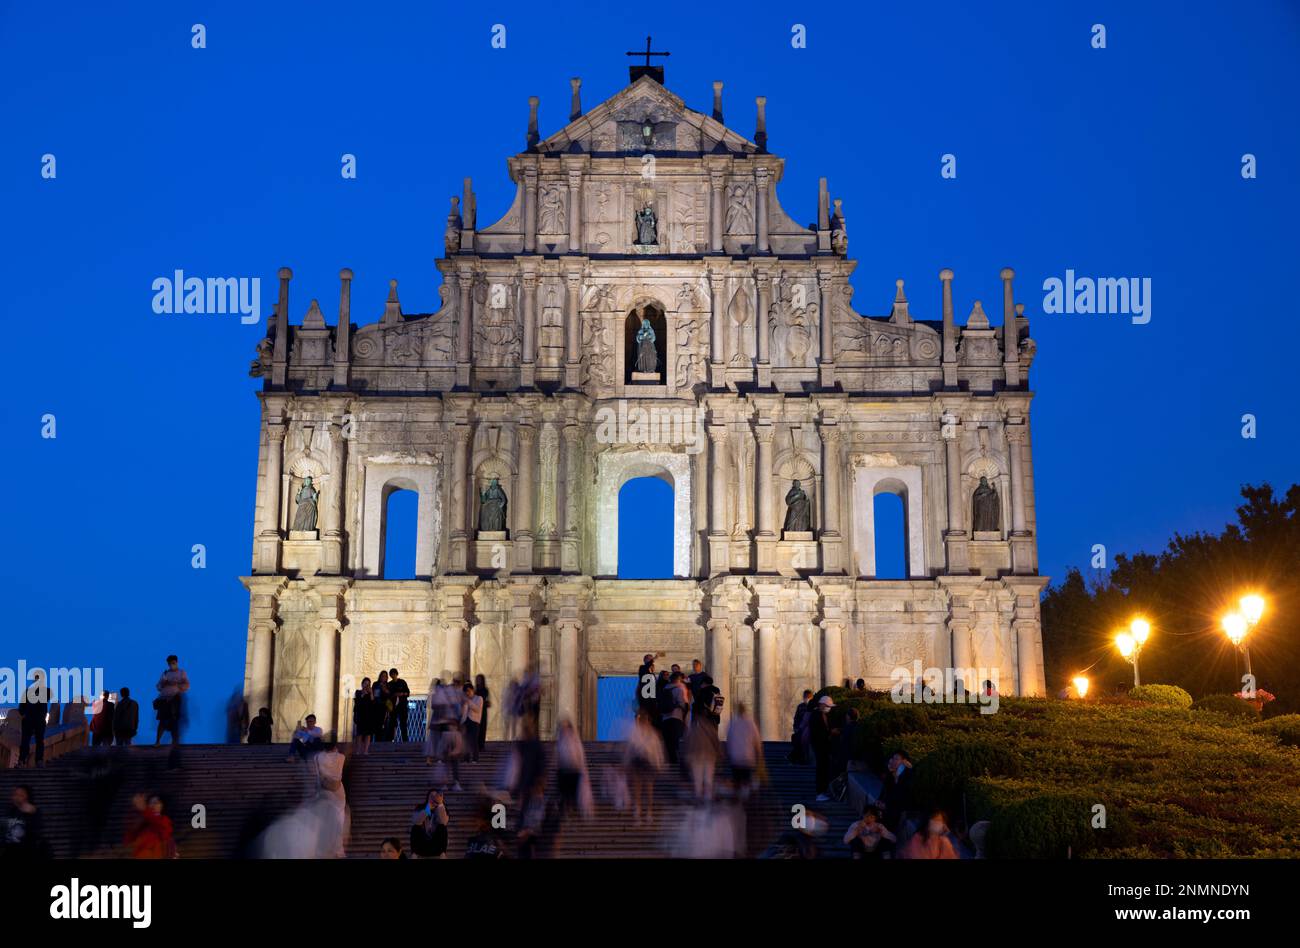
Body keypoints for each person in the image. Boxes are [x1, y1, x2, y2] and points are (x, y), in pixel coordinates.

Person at [623, 711, 665, 827]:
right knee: (642, 787)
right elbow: (656, 750)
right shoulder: (649, 733)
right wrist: (659, 763)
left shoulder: (642, 733)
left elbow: (630, 750)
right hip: (642, 762)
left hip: (644, 762)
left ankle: (644, 812)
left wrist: (658, 763)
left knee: (644, 787)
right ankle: (643, 812)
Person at [314, 742, 349, 858]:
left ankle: (323, 850)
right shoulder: (341, 757)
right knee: (338, 821)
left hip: (323, 790)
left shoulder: (317, 757)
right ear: (334, 746)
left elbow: (318, 776)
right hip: (337, 790)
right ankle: (339, 851)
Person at [725, 702, 763, 801]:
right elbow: (757, 740)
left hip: (735, 757)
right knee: (746, 779)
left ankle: (739, 799)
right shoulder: (750, 723)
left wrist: (728, 753)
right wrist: (759, 753)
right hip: (747, 757)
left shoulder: (732, 723)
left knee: (737, 780)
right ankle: (745, 798)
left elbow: (729, 739)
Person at [555, 719, 591, 820]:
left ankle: (570, 810)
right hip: (563, 771)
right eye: (563, 728)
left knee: (571, 792)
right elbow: (557, 756)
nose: (564, 730)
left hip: (574, 771)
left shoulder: (575, 740)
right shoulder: (560, 741)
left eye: (566, 727)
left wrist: (582, 769)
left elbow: (580, 755)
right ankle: (566, 810)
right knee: (565, 792)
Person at [3, 785, 50, 859]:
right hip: (8, 851)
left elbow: (36, 832)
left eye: (21, 795)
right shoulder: (8, 811)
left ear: (27, 797)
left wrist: (31, 815)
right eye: (15, 794)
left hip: (26, 852)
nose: (17, 797)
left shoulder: (33, 811)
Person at [124, 793, 175, 859]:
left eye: (156, 803)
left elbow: (162, 830)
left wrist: (145, 810)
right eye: (150, 803)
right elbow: (128, 839)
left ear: (162, 806)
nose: (153, 805)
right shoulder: (142, 822)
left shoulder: (165, 821)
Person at [154, 655, 189, 746]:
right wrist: (163, 683)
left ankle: (174, 742)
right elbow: (158, 686)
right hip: (164, 699)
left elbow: (187, 685)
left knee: (174, 720)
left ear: (176, 662)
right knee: (162, 720)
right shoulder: (165, 673)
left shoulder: (182, 672)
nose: (171, 665)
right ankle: (157, 741)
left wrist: (177, 684)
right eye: (170, 663)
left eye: (173, 663)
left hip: (175, 698)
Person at [17, 673, 48, 767]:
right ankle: (27, 760)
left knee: (32, 741)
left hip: (34, 720)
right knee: (29, 741)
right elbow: (22, 707)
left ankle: (29, 760)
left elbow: (43, 707)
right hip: (32, 721)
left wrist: (24, 714)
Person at [880, 751, 915, 832]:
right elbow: (885, 790)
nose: (893, 761)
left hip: (900, 806)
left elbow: (902, 794)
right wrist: (880, 800)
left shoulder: (907, 775)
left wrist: (887, 804)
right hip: (890, 804)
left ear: (903, 762)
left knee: (888, 818)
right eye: (893, 758)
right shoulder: (891, 773)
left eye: (897, 759)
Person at [409, 790, 449, 858]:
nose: (433, 798)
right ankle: (414, 854)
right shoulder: (420, 808)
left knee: (443, 827)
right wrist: (428, 808)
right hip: (422, 844)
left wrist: (440, 804)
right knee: (415, 827)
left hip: (436, 845)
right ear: (427, 798)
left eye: (435, 796)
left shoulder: (442, 809)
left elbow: (443, 822)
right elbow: (416, 821)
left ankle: (443, 854)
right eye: (431, 796)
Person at [659, 671, 689, 764]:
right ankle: (675, 759)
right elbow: (682, 703)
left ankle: (671, 758)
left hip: (665, 717)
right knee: (675, 738)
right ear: (678, 679)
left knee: (668, 739)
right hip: (676, 716)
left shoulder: (665, 688)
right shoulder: (680, 689)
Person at [810, 695, 836, 800]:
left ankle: (823, 791)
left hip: (824, 747)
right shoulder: (816, 716)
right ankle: (820, 793)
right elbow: (818, 732)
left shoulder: (823, 715)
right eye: (827, 706)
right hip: (819, 746)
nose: (829, 708)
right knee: (821, 769)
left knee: (824, 768)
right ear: (821, 705)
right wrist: (831, 732)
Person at [787, 689, 814, 763]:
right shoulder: (800, 706)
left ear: (811, 697)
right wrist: (796, 727)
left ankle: (794, 757)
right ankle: (798, 758)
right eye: (805, 697)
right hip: (801, 729)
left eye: (808, 697)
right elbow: (796, 718)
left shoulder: (814, 707)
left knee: (801, 743)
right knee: (797, 741)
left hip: (808, 730)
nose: (806, 698)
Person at [462, 681, 484, 763]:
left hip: (474, 721)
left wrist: (469, 702)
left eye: (468, 691)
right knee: (465, 741)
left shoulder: (479, 698)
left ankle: (475, 758)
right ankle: (466, 758)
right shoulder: (465, 700)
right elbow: (463, 711)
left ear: (472, 690)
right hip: (465, 721)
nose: (467, 693)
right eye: (466, 692)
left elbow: (477, 709)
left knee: (474, 741)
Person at [354, 677, 376, 754]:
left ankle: (366, 750)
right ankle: (358, 750)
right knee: (359, 734)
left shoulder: (371, 693)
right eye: (365, 684)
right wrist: (363, 693)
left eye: (368, 684)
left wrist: (371, 693)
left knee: (368, 734)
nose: (367, 685)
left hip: (369, 716)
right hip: (361, 715)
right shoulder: (358, 692)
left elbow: (373, 704)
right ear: (362, 684)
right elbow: (358, 703)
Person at [388, 668, 411, 741]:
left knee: (403, 723)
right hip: (393, 707)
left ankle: (405, 740)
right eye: (392, 674)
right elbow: (388, 696)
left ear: (397, 674)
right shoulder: (390, 684)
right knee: (392, 724)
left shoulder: (402, 682)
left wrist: (401, 694)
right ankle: (391, 739)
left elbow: (408, 693)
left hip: (402, 706)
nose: (393, 675)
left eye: (394, 674)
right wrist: (394, 695)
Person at [474, 674, 491, 753]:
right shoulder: (475, 690)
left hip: (483, 710)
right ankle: (477, 745)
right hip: (477, 710)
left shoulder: (485, 690)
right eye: (477, 679)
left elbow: (487, 700)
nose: (478, 681)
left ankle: (482, 745)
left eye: (479, 679)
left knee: (483, 727)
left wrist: (486, 703)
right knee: (477, 728)